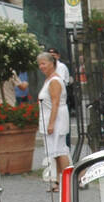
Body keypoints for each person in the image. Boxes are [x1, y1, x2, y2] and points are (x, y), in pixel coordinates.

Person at [38, 52, 71, 193]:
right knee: (55, 152)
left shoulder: (55, 81)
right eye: (39, 64)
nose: (41, 67)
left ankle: (68, 180)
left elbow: (55, 102)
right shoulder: (49, 80)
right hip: (49, 116)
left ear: (52, 63)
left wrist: (51, 123)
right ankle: (58, 181)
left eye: (44, 63)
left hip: (56, 118)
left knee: (59, 150)